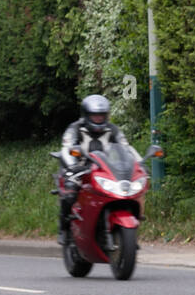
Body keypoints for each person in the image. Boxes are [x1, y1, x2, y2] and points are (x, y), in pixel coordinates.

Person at [56, 95, 140, 244]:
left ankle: (126, 234)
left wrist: (138, 163)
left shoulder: (113, 129)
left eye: (102, 116)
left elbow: (126, 148)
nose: (99, 119)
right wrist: (72, 166)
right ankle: (64, 227)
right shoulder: (75, 129)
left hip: (104, 169)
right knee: (69, 193)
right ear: (86, 115)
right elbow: (66, 148)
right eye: (95, 116)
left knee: (126, 192)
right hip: (79, 169)